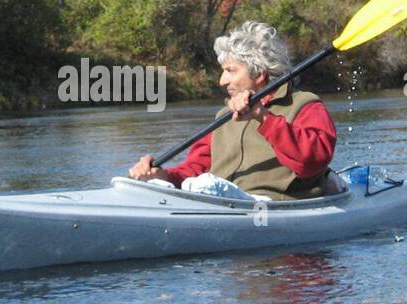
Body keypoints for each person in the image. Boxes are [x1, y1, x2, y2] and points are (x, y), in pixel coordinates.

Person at [128, 21, 337, 200]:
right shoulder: (224, 117)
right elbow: (194, 169)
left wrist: (263, 117)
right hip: (223, 203)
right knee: (196, 185)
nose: (222, 81)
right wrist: (161, 176)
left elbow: (312, 162)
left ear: (259, 74)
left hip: (275, 207)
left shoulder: (306, 106)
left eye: (230, 71)